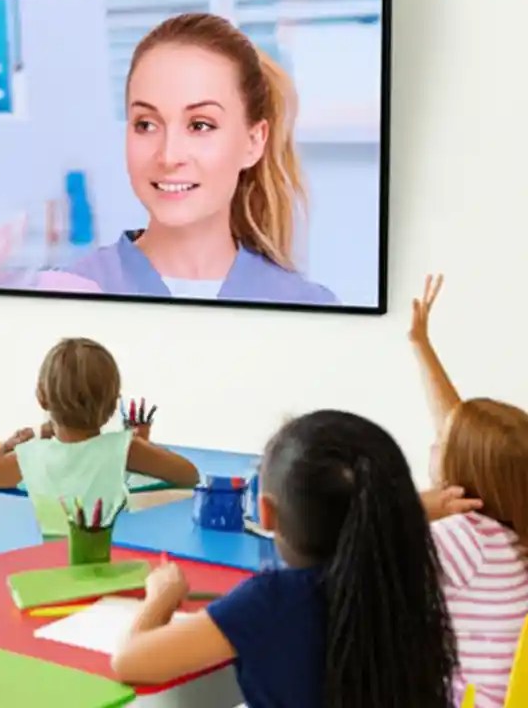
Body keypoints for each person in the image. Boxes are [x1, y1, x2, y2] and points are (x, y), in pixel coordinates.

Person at [110, 410, 457, 708]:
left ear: (266, 513)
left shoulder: (272, 600)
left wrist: (161, 596)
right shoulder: (408, 582)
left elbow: (130, 661)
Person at [39, 13, 337, 305]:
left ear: (253, 141)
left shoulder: (309, 308)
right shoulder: (68, 295)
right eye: (147, 124)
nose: (169, 156)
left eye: (200, 125)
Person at [410, 273, 528, 707]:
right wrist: (421, 346)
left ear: (461, 473)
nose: (432, 444)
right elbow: (469, 434)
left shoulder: (463, 540)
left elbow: (359, 555)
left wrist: (414, 509)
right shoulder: (511, 534)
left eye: (440, 444)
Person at [0, 337, 198, 499]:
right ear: (113, 404)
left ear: (41, 397)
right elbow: (189, 474)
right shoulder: (125, 449)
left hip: (52, 548)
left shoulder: (30, 456)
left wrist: (7, 447)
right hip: (111, 545)